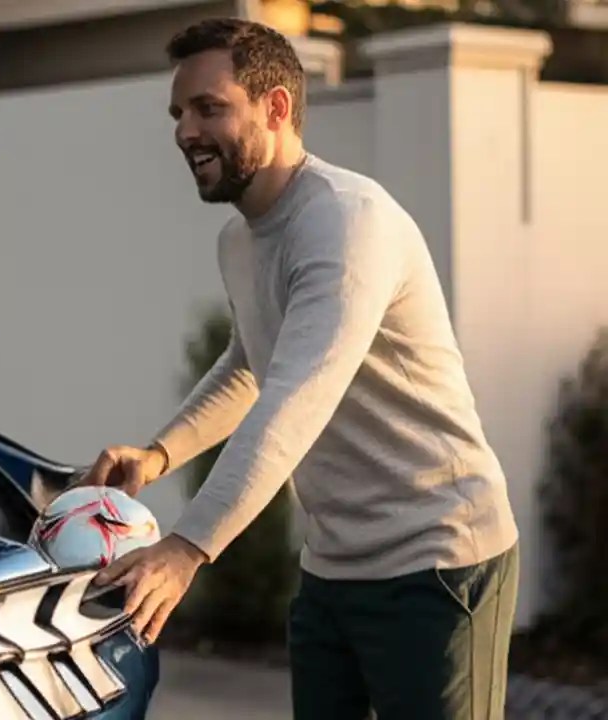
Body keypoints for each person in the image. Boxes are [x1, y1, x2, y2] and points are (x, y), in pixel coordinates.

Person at [80, 17, 521, 720]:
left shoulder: (347, 222)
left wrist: (188, 547)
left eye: (209, 108)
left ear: (276, 107)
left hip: (437, 561)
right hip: (331, 571)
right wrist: (159, 455)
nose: (186, 131)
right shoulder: (239, 242)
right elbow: (248, 367)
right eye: (178, 113)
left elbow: (294, 399)